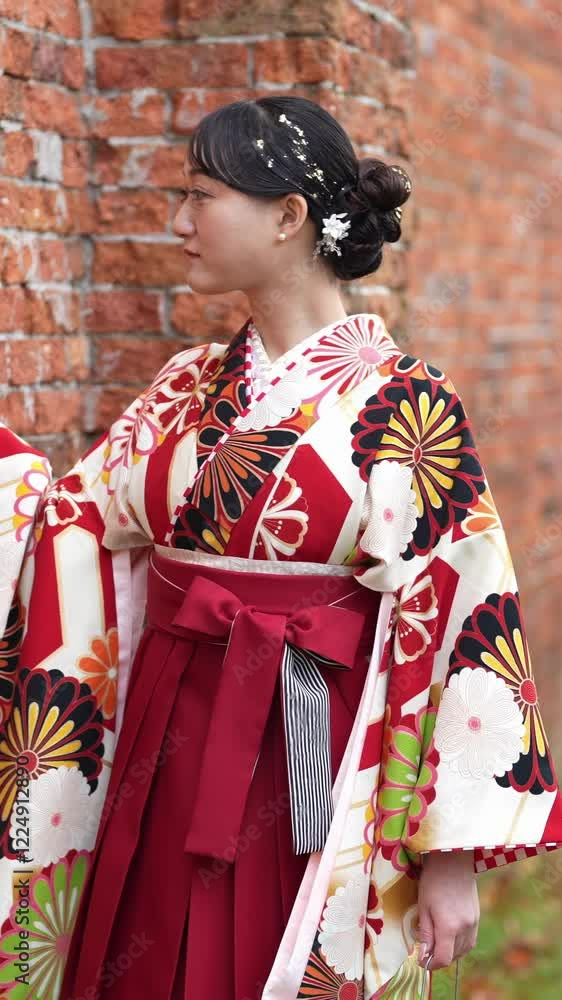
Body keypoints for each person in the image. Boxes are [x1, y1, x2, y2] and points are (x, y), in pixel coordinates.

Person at [0, 95, 561, 1000]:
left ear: (287, 215)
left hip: (315, 744)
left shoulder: (405, 404)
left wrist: (449, 857)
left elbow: (466, 609)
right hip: (166, 727)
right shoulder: (187, 386)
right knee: (146, 947)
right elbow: (71, 523)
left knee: (282, 950)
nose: (179, 222)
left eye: (201, 194)